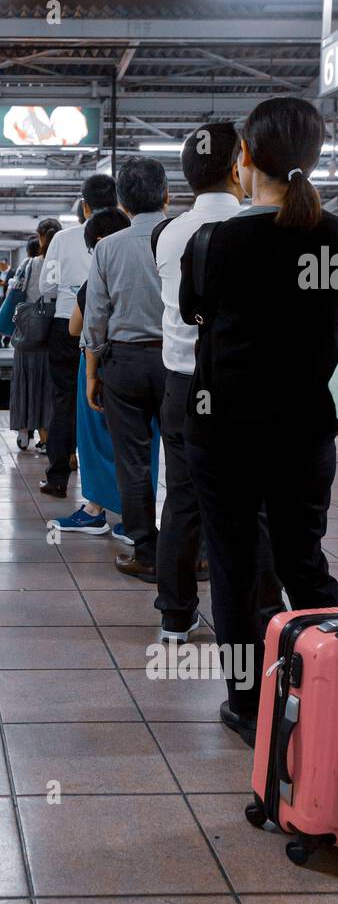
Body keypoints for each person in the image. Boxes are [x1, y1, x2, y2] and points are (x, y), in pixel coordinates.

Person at [180, 96, 338, 743]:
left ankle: (247, 704)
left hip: (226, 429)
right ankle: (332, 681)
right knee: (304, 557)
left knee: (237, 562)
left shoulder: (214, 239)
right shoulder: (334, 238)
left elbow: (196, 316)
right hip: (307, 426)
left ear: (244, 157)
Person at [152, 122, 243, 641]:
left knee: (182, 499)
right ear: (238, 168)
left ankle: (174, 618)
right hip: (236, 388)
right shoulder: (255, 229)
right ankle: (256, 615)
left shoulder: (167, 233)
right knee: (247, 504)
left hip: (180, 386)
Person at [82, 157, 168, 581]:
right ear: (167, 195)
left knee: (132, 462)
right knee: (188, 460)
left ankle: (146, 552)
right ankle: (198, 553)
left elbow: (95, 317)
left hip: (125, 364)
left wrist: (94, 374)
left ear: (122, 202)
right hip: (180, 364)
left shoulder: (107, 247)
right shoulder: (189, 237)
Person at [51, 206, 159, 541]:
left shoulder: (103, 266)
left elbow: (78, 327)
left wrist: (92, 373)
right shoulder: (162, 254)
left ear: (99, 240)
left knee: (96, 440)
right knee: (146, 444)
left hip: (109, 361)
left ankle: (95, 511)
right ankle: (137, 521)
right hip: (161, 360)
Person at [39, 176, 115, 496]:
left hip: (66, 328)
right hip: (110, 331)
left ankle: (58, 478)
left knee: (64, 401)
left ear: (83, 206)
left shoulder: (62, 239)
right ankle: (106, 488)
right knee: (105, 404)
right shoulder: (121, 236)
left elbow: (46, 286)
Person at [10, 233, 55, 451]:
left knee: (23, 382)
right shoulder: (59, 264)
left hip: (26, 334)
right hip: (50, 335)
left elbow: (14, 292)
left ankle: (23, 431)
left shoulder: (27, 265)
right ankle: (45, 436)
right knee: (46, 386)